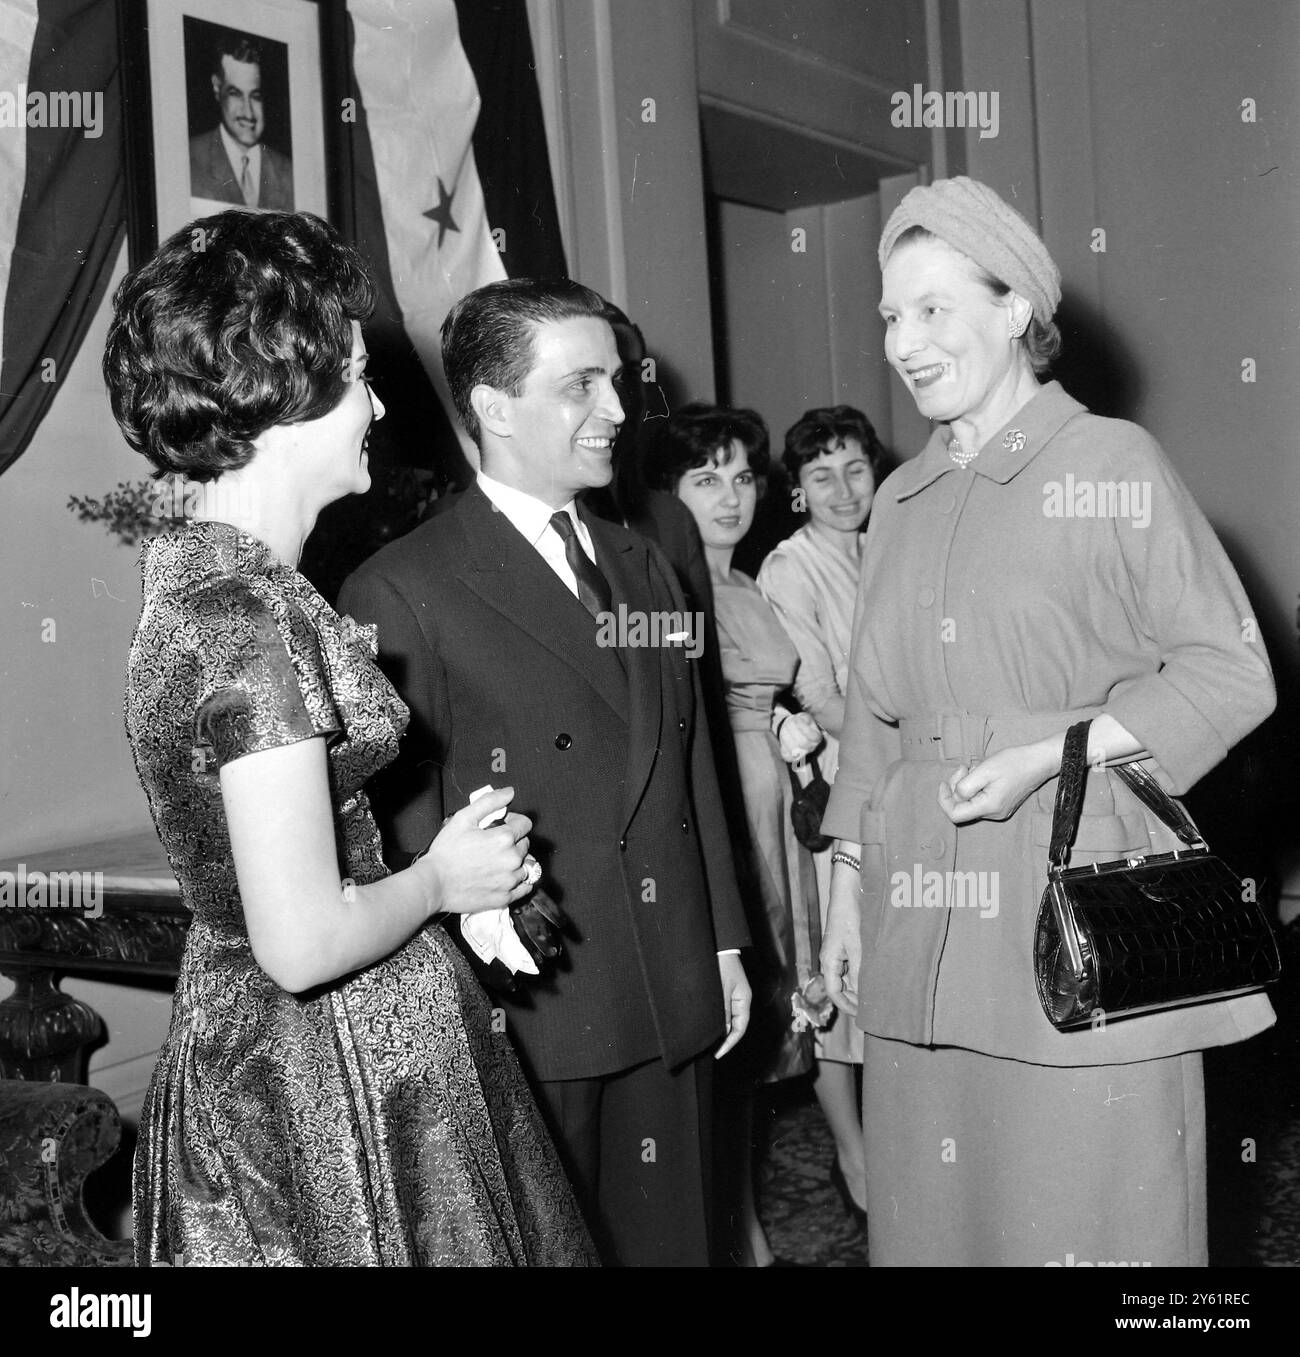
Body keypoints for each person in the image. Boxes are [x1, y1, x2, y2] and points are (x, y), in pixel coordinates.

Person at [106, 210, 594, 1266]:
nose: (379, 406)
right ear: (286, 395)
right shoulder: (242, 618)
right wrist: (443, 879)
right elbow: (300, 944)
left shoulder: (208, 583)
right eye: (362, 378)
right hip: (330, 1074)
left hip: (272, 1052)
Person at [819, 175, 1277, 1266]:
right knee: (939, 1223)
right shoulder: (896, 500)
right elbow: (872, 721)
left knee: (1090, 1219)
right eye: (889, 314)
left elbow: (1233, 670)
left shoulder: (1110, 463)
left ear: (1016, 307)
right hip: (917, 912)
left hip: (1068, 908)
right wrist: (844, 898)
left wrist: (1049, 755)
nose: (904, 340)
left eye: (934, 308)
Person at [337, 278, 752, 1267]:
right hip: (531, 1015)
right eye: (581, 385)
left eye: (614, 381)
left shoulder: (644, 562)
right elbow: (401, 835)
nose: (616, 410)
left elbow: (695, 765)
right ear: (491, 407)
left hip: (670, 982)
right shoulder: (401, 586)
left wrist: (727, 946)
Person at [647, 402, 824, 1267]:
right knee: (727, 1024)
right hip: (721, 803)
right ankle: (735, 1235)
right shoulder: (666, 588)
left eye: (743, 477)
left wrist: (786, 719)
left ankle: (742, 1225)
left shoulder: (751, 582)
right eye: (704, 478)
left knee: (763, 1028)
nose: (730, 497)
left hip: (774, 807)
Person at [757, 404, 884, 1231]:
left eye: (855, 469)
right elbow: (821, 696)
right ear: (796, 490)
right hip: (847, 784)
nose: (842, 490)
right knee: (841, 974)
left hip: (907, 781)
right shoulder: (789, 568)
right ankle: (853, 1153)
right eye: (819, 476)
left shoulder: (895, 541)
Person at [189, 30, 293, 210]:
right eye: (235, 94)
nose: (248, 111)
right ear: (216, 88)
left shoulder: (288, 172)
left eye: (255, 96)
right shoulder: (190, 159)